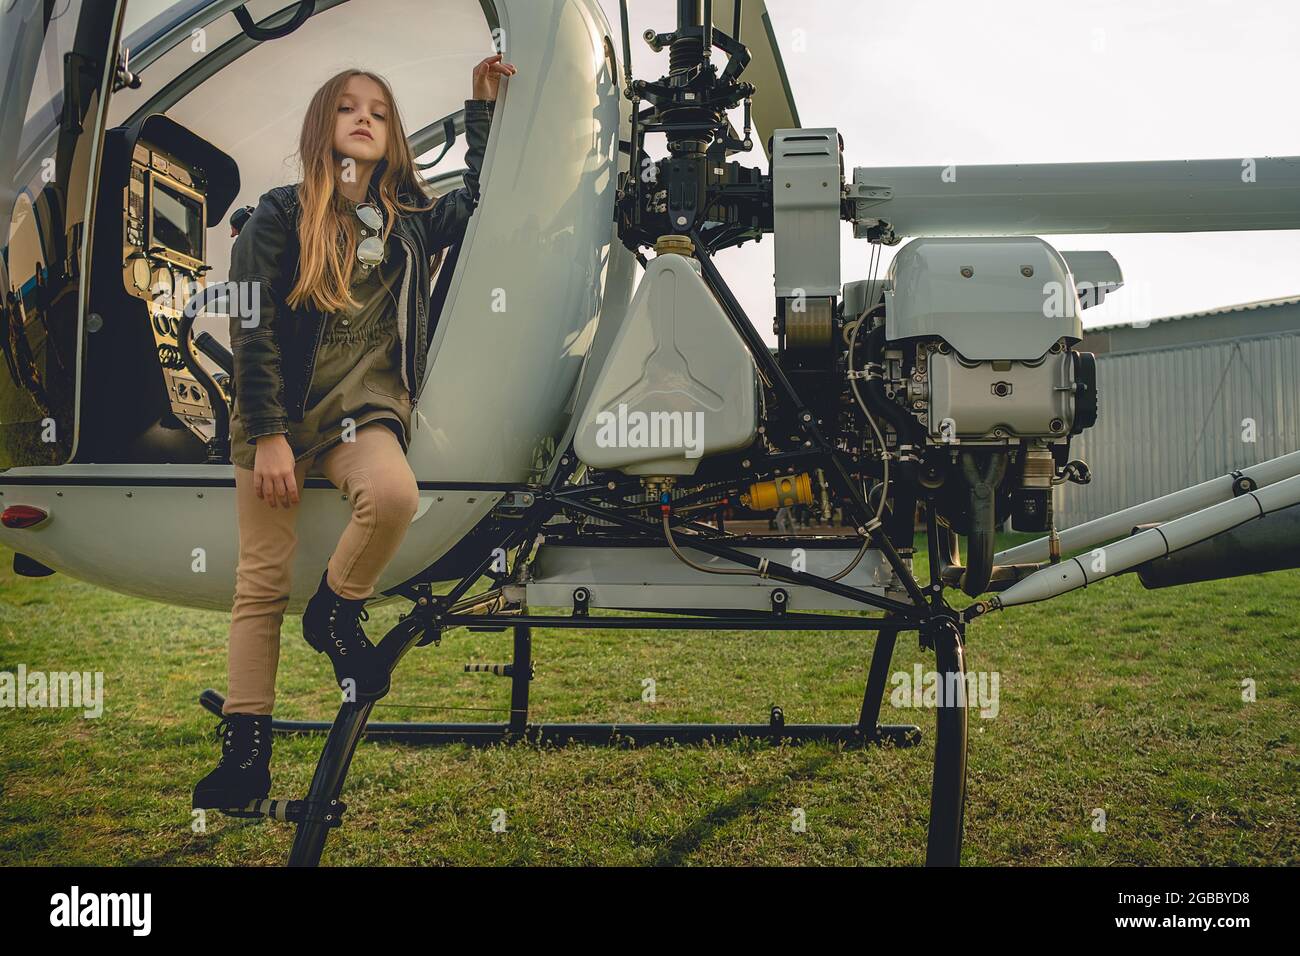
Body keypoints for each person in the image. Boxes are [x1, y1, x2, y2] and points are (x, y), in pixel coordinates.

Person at [193, 55, 517, 811]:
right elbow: (253, 328)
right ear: (323, 128)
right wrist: (268, 434)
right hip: (278, 413)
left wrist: (484, 108)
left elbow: (482, 197)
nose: (363, 116)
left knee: (393, 496)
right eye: (346, 107)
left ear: (393, 134)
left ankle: (336, 611)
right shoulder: (276, 216)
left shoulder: (407, 222)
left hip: (360, 414)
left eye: (377, 108)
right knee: (260, 584)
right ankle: (246, 753)